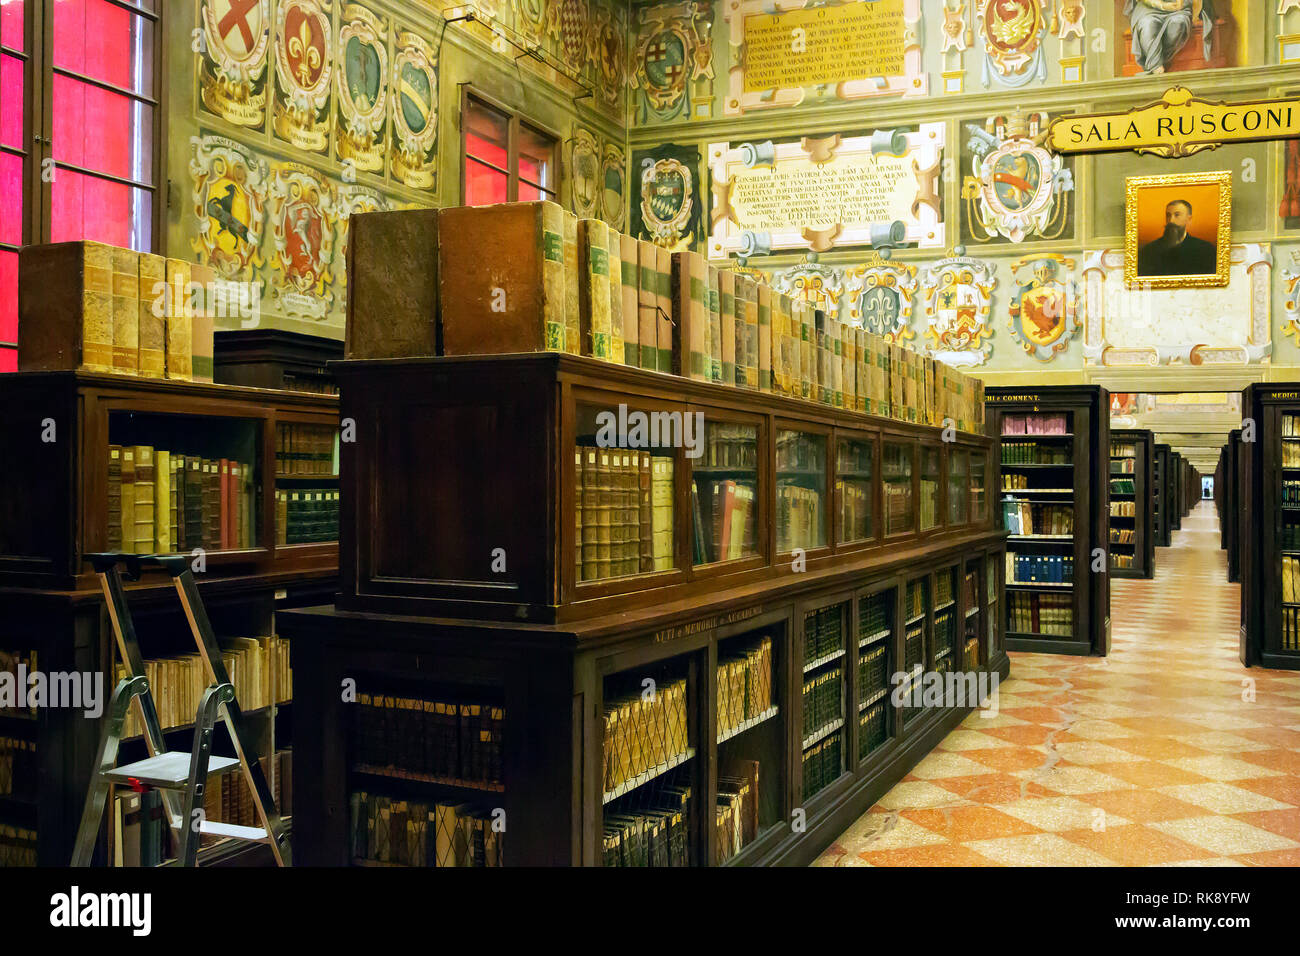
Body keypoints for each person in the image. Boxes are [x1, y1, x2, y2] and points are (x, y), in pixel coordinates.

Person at [1124, 0, 1217, 75]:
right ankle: (1154, 64)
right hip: (1149, 8)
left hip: (1179, 9)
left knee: (1178, 23)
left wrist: (1184, 6)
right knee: (1148, 24)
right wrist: (1162, 5)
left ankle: (1158, 57)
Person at [1137, 199, 1217, 277]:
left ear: (1188, 219)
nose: (1171, 221)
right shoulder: (1149, 250)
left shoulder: (1205, 249)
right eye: (1168, 215)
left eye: (1177, 215)